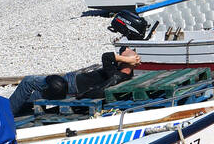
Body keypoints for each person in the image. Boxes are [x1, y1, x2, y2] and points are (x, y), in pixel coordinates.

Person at [7, 48, 141, 117]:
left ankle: (6, 113)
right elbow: (121, 51)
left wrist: (127, 59)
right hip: (73, 89)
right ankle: (17, 111)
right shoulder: (124, 73)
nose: (123, 51)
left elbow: (106, 56)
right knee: (37, 95)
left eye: (125, 54)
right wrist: (128, 60)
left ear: (126, 61)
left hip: (68, 84)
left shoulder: (115, 74)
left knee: (28, 82)